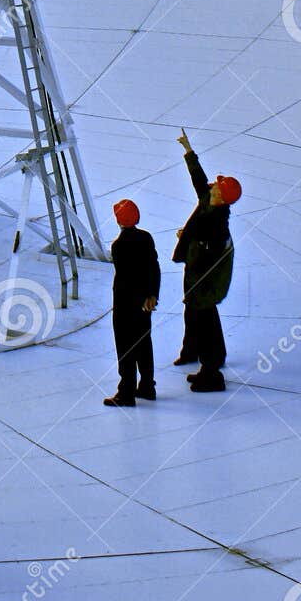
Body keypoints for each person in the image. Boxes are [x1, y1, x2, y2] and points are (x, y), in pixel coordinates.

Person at [171, 129, 241, 392]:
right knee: (195, 314)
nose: (212, 184)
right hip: (198, 274)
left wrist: (188, 236)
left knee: (205, 319)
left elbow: (207, 249)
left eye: (217, 186)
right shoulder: (210, 200)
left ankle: (211, 373)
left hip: (205, 280)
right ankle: (194, 353)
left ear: (221, 196)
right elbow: (198, 180)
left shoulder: (217, 223)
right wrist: (188, 151)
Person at [104, 198, 160, 407]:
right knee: (144, 344)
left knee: (125, 348)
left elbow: (127, 279)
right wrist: (151, 296)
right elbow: (153, 268)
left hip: (126, 306)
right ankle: (147, 386)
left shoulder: (118, 246)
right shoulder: (146, 238)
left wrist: (136, 300)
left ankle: (126, 391)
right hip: (145, 304)